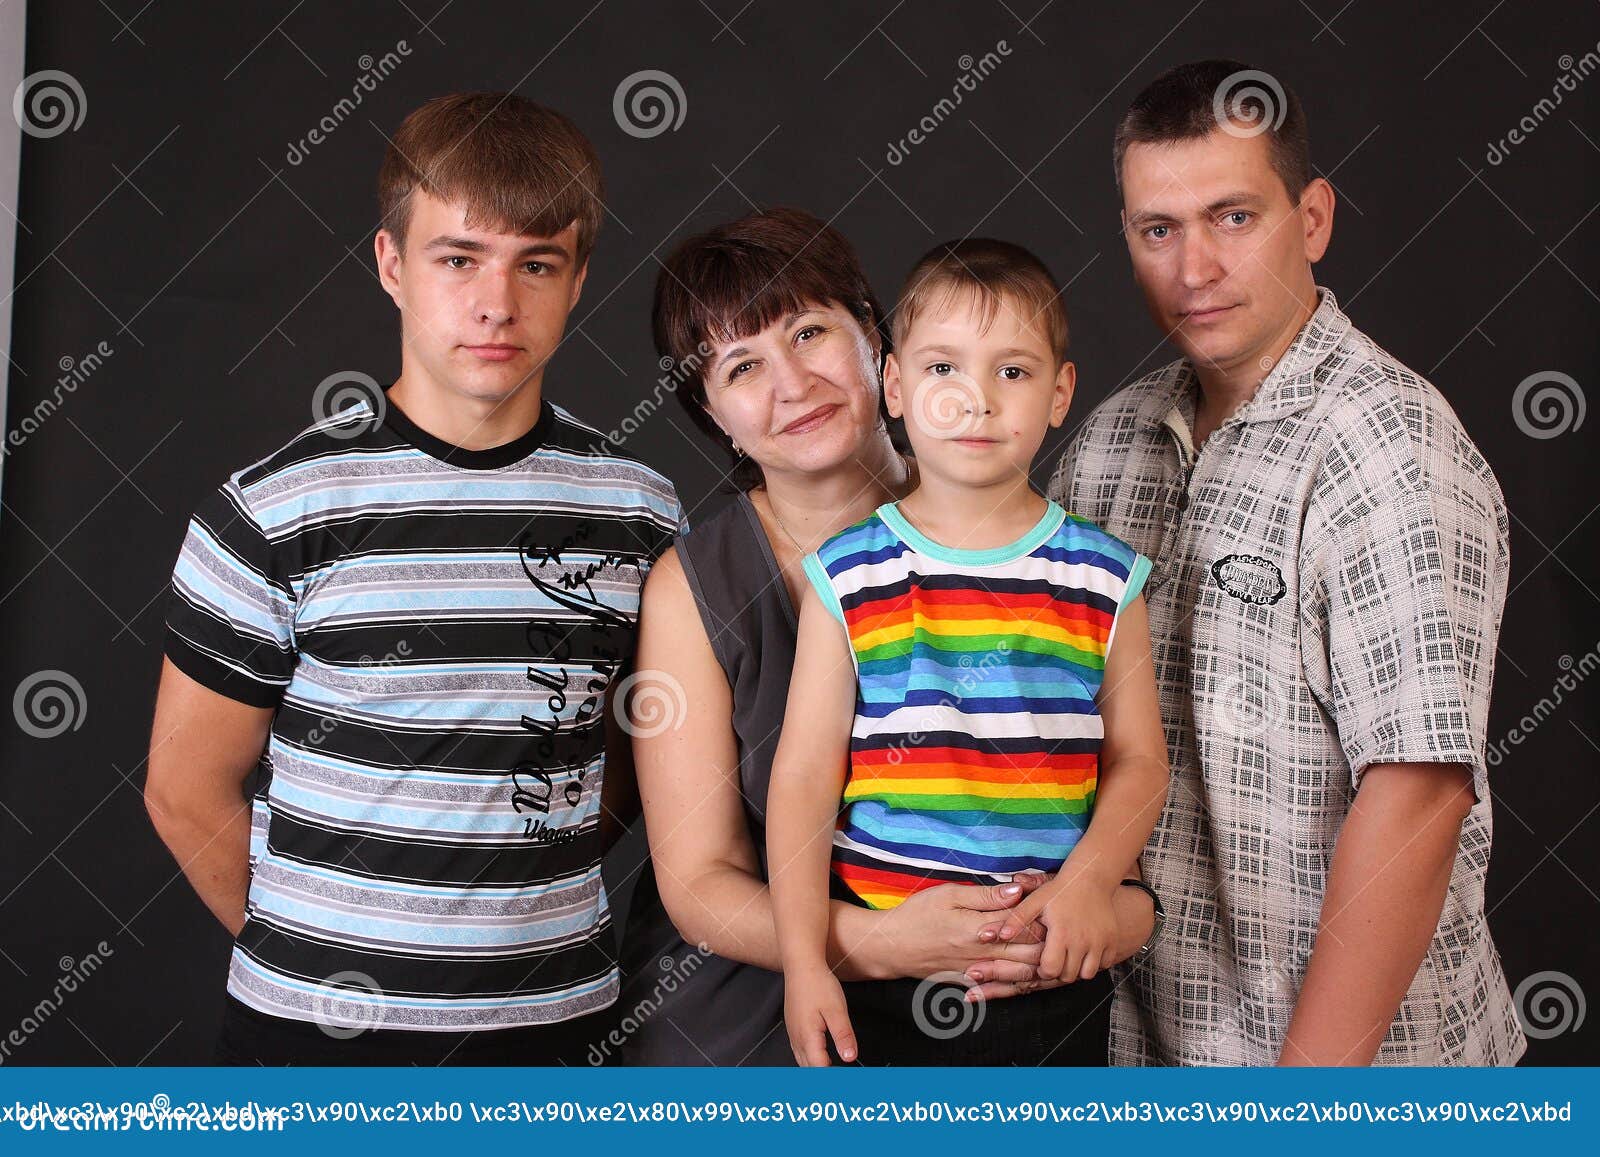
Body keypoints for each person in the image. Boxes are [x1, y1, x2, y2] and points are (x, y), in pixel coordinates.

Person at [144, 93, 683, 1065]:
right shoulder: (274, 508)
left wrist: (503, 899)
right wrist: (318, 962)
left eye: (537, 263)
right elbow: (186, 787)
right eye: (458, 257)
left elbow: (638, 759)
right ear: (392, 264)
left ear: (577, 279)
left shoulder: (639, 512)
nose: (496, 302)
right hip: (318, 1038)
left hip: (559, 1033)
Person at [1049, 59, 1526, 1065]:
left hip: (1352, 1073)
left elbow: (1419, 792)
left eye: (1233, 216)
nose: (1193, 269)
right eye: (1157, 229)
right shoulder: (1105, 444)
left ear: (1310, 218)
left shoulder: (1387, 443)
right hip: (1151, 1046)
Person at [617, 208, 1161, 1066]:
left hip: (1005, 997)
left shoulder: (1015, 521)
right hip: (747, 1018)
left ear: (879, 344)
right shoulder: (696, 586)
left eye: (808, 331)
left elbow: (1092, 787)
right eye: (742, 365)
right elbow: (698, 883)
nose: (792, 382)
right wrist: (885, 943)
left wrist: (1112, 902)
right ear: (711, 410)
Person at [766, 239, 1170, 1066]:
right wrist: (806, 962)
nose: (976, 400)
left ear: (1060, 393)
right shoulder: (848, 575)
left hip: (1045, 969)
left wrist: (1092, 880)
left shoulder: (1105, 577)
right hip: (885, 978)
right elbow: (804, 778)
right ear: (895, 386)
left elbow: (1139, 759)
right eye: (944, 368)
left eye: (1012, 373)